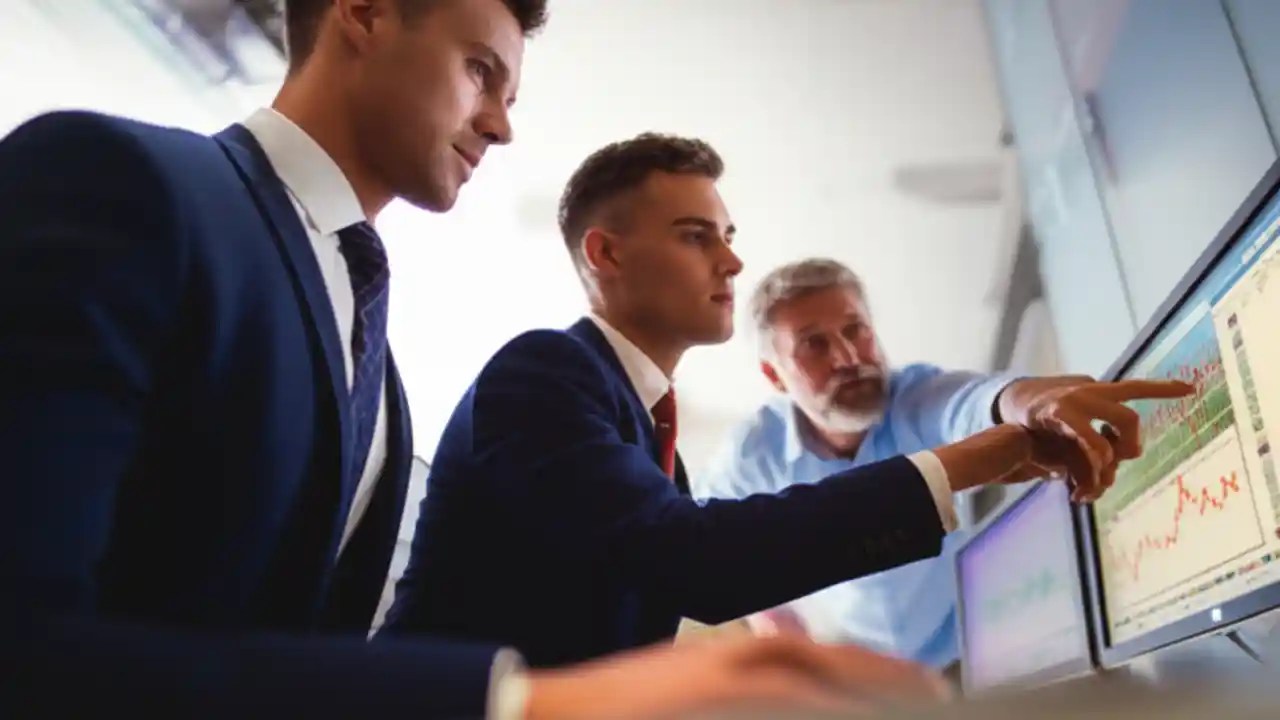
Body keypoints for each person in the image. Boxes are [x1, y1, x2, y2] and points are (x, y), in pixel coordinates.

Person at [0, 1, 956, 717]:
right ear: (366, 12)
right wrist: (519, 704)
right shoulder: (119, 183)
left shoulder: (386, 377)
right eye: (479, 71)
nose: (500, 123)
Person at [379, 132, 1192, 669]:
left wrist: (1017, 409)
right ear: (607, 254)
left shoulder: (645, 431)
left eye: (730, 238)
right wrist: (987, 457)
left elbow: (965, 398)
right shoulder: (545, 373)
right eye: (699, 236)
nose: (731, 264)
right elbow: (701, 562)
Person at [692, 258, 1097, 670]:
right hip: (865, 671)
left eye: (855, 330)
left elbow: (969, 402)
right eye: (814, 344)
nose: (848, 357)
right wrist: (769, 614)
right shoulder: (752, 456)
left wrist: (1025, 403)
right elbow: (707, 547)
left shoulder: (916, 398)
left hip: (975, 641)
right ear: (775, 376)